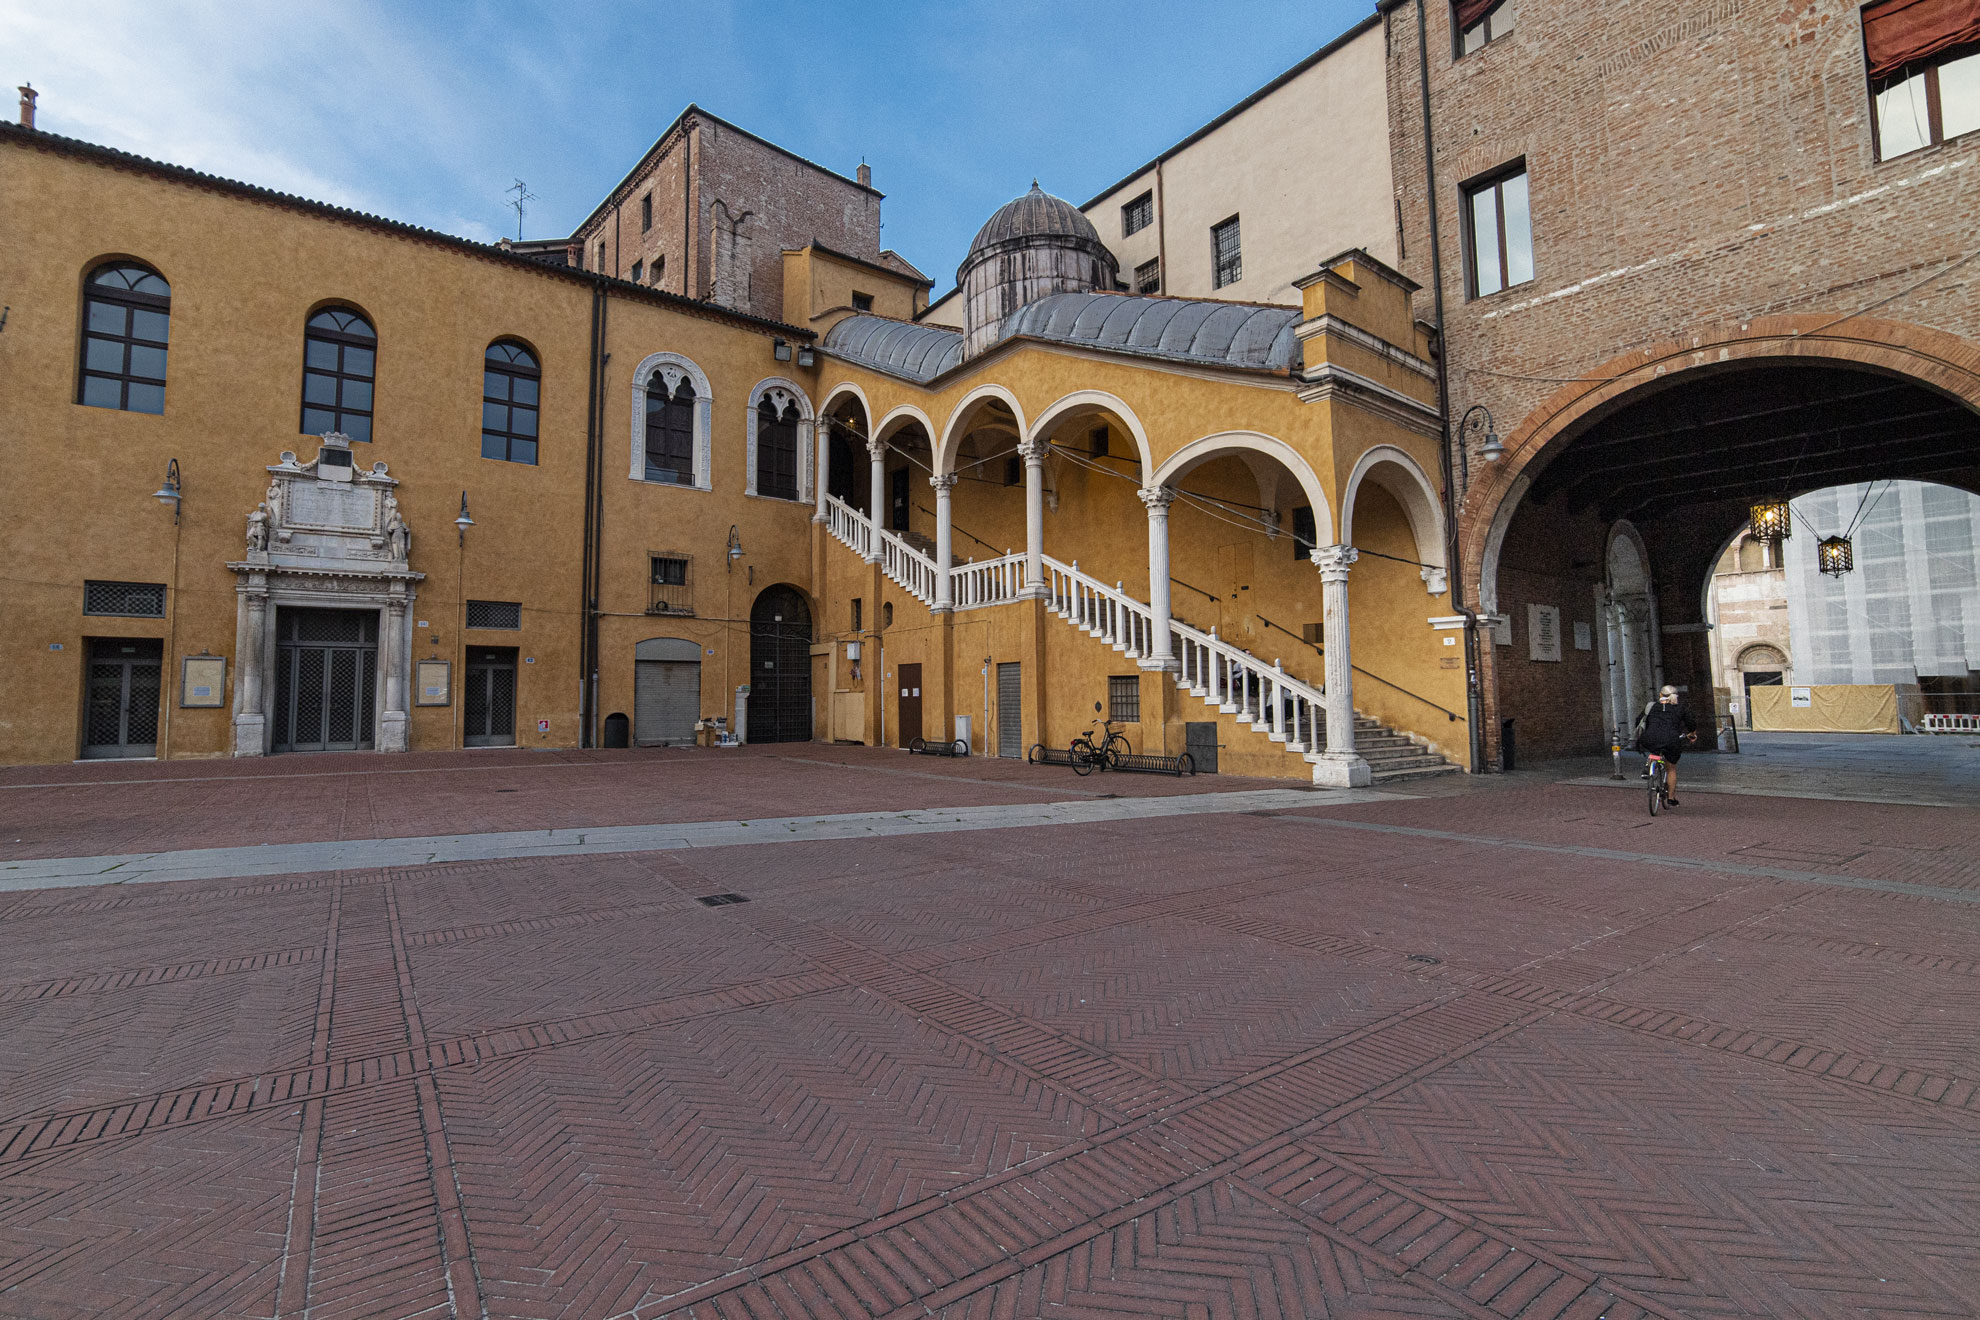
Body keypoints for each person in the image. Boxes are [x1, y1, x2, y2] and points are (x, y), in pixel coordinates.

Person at [1635, 684, 1698, 805]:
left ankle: (1649, 764)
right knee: (1671, 768)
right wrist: (1692, 734)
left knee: (1654, 746)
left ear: (1660, 695)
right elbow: (1691, 723)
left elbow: (1638, 721)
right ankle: (1671, 798)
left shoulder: (1651, 706)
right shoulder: (1680, 708)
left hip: (1650, 738)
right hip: (1671, 740)